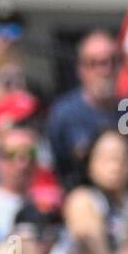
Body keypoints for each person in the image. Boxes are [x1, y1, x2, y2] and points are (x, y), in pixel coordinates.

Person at [45, 31, 122, 189]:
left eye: (112, 62)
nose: (105, 70)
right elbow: (53, 167)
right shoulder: (63, 114)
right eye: (95, 63)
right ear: (81, 69)